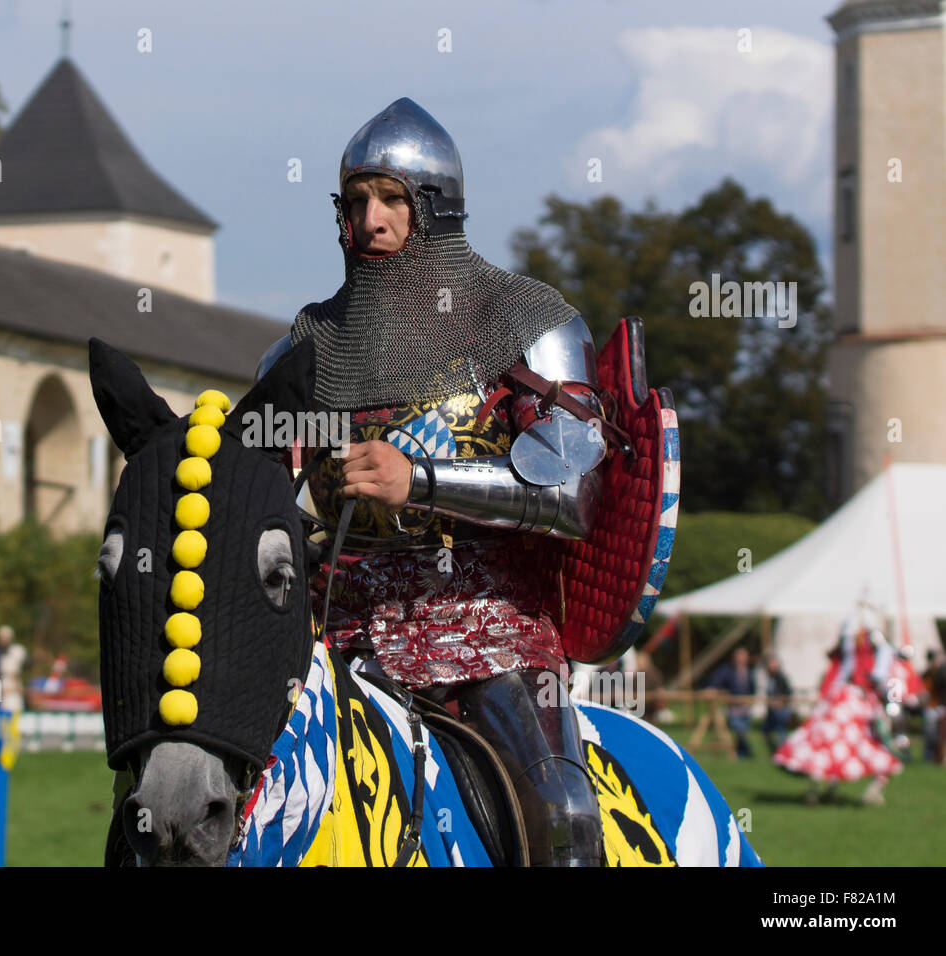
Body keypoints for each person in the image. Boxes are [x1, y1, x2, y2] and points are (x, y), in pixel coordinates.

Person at [257, 99, 627, 866]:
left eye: (391, 198)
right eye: (355, 201)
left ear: (437, 210)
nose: (371, 220)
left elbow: (576, 494)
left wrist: (419, 479)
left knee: (560, 814)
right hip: (335, 640)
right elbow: (260, 499)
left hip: (487, 632)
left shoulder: (525, 321)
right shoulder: (303, 349)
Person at [773, 606, 904, 805]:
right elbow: (877, 675)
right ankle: (831, 789)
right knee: (853, 744)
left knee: (828, 742)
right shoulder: (869, 647)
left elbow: (844, 672)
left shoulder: (853, 646)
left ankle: (818, 790)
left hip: (847, 699)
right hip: (856, 700)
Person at [708, 647, 756, 759]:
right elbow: (717, 681)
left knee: (743, 731)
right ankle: (746, 751)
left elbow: (752, 689)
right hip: (733, 707)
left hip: (745, 707)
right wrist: (713, 689)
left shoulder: (750, 671)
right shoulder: (728, 670)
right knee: (739, 729)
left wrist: (749, 703)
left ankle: (743, 752)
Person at [762, 655, 793, 752]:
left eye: (774, 665)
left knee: (781, 732)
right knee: (766, 730)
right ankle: (776, 751)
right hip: (771, 710)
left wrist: (780, 702)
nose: (772, 667)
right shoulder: (769, 678)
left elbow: (788, 693)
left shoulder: (781, 678)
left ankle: (783, 752)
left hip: (781, 710)